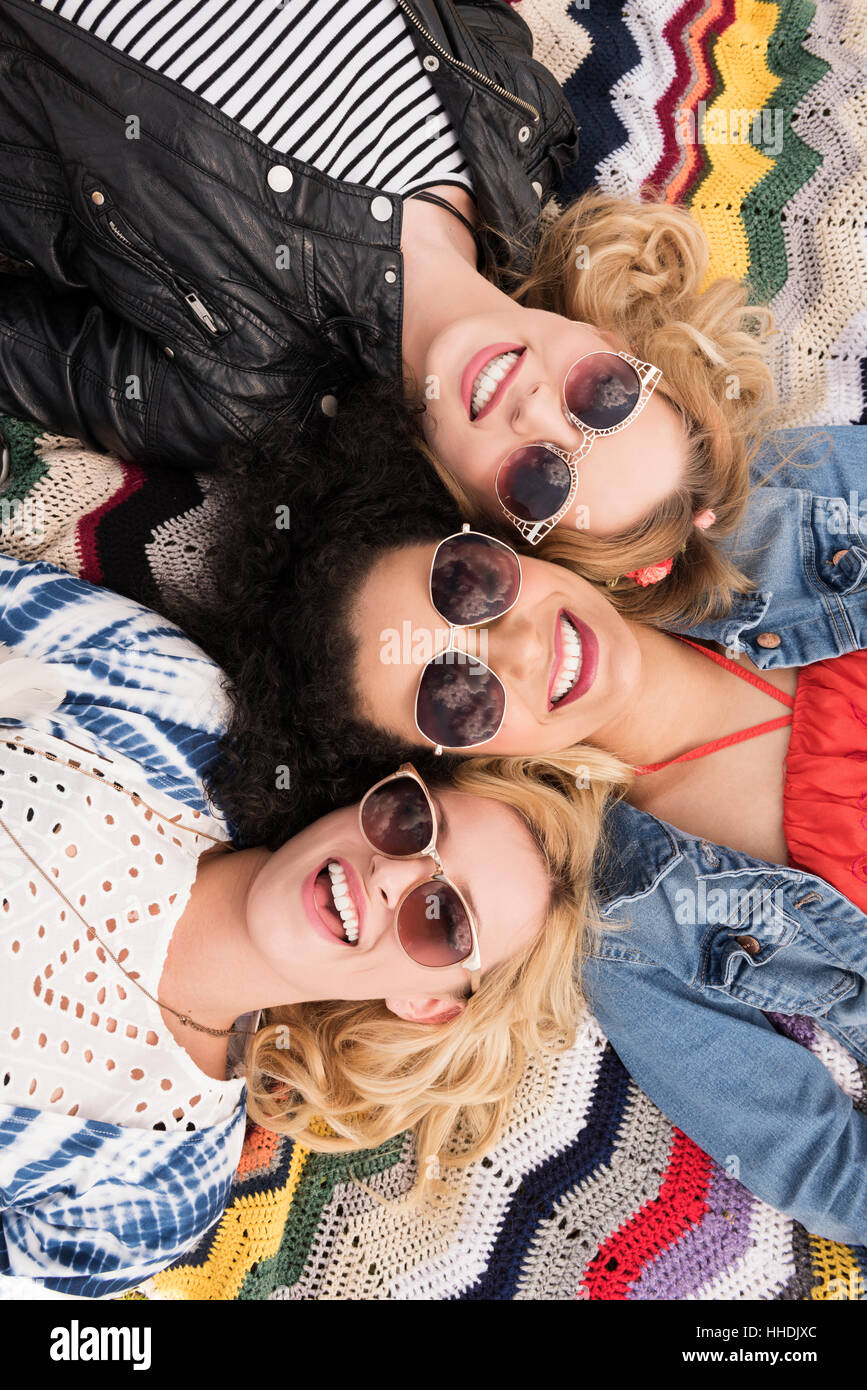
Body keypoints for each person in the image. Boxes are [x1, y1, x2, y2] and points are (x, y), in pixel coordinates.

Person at [0, 1, 776, 619]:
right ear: (607, 336)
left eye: (541, 482)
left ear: (473, 510)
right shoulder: (520, 119)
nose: (538, 414)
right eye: (602, 398)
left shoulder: (234, 396)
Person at [0, 550, 596, 1296]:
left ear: (425, 1004)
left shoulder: (152, 1194)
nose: (391, 874)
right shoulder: (179, 704)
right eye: (413, 821)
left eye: (443, 918)